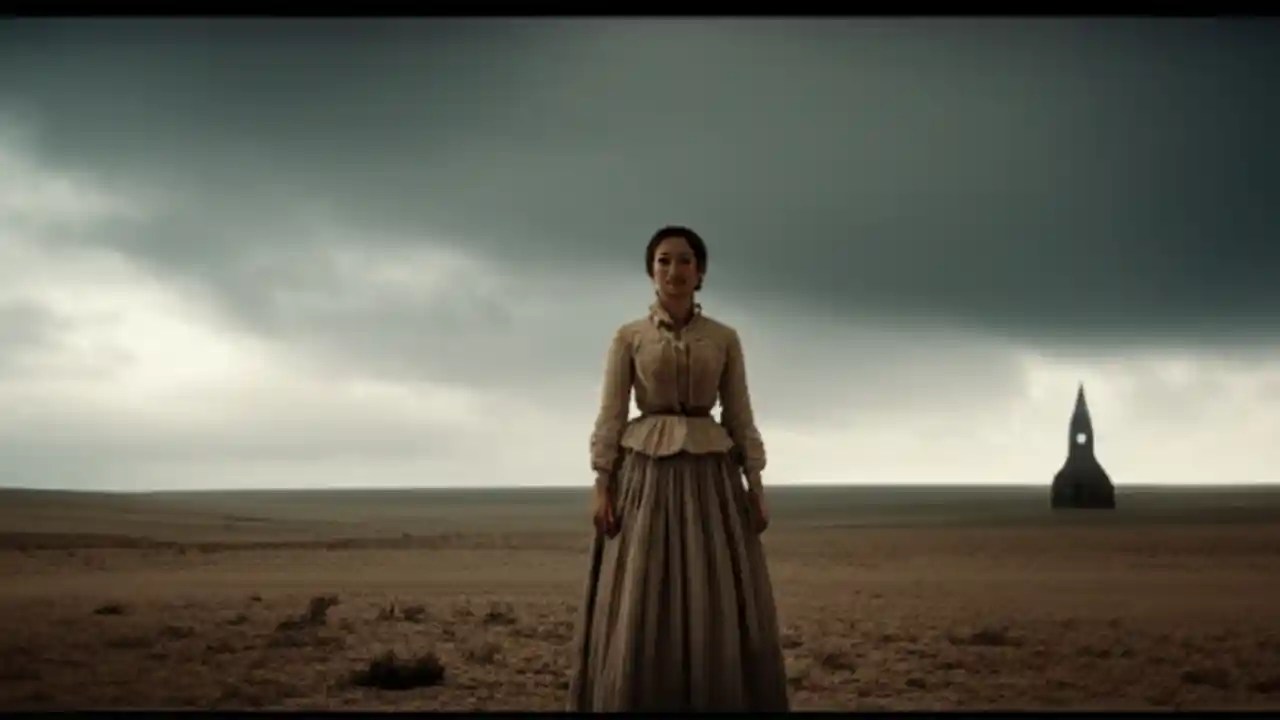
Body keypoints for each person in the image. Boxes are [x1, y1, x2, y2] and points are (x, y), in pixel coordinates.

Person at [566, 225, 790, 712]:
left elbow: (739, 415)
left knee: (713, 592)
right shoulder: (629, 337)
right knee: (642, 590)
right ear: (651, 271)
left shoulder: (724, 339)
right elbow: (610, 415)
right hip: (645, 477)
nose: (674, 270)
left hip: (710, 481)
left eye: (685, 260)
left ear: (701, 271)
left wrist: (756, 484)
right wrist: (602, 484)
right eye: (664, 261)